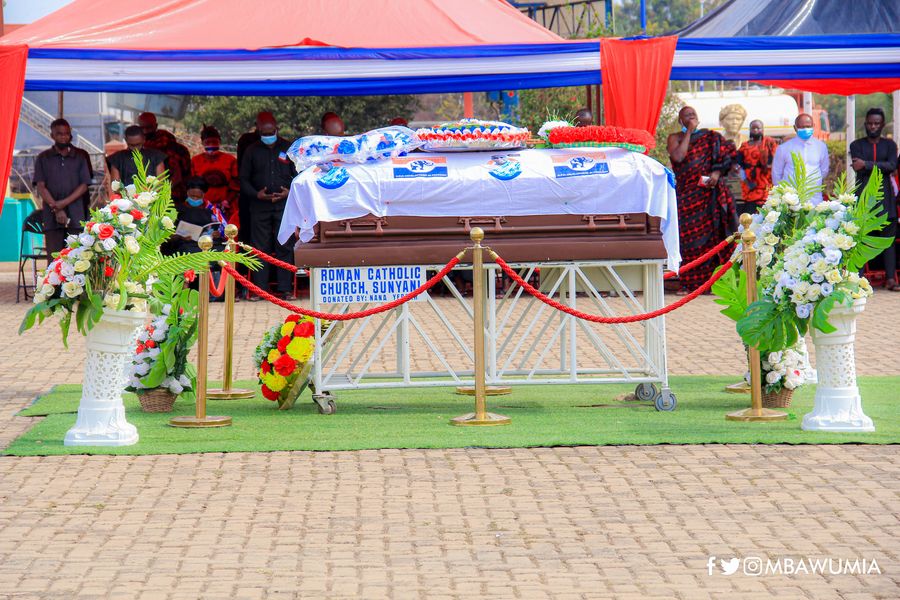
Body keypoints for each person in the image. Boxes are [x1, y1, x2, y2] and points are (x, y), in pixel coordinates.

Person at [666, 106, 738, 295]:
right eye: (687, 116)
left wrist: (715, 172)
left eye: (694, 115)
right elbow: (679, 157)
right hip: (688, 199)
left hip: (710, 198)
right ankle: (690, 284)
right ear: (680, 121)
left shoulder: (711, 137)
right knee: (689, 241)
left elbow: (727, 155)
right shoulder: (676, 138)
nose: (691, 118)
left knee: (714, 239)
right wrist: (689, 131)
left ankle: (715, 283)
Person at [239, 113, 298, 301]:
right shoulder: (251, 150)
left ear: (276, 128)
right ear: (258, 130)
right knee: (260, 248)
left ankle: (285, 290)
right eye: (264, 133)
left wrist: (290, 192)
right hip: (259, 206)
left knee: (284, 245)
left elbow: (300, 175)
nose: (268, 135)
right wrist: (257, 194)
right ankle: (260, 290)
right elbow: (243, 179)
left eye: (271, 132)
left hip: (284, 206)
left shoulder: (288, 148)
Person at [850, 107, 898, 291]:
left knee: (889, 241)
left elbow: (892, 166)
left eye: (876, 123)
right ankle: (858, 279)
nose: (873, 126)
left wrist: (867, 164)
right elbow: (857, 167)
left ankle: (891, 279)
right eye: (870, 123)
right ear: (865, 124)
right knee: (862, 239)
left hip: (886, 199)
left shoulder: (890, 145)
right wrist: (879, 166)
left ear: (882, 125)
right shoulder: (856, 145)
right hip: (864, 198)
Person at [33, 119, 92, 257]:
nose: (63, 137)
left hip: (76, 214)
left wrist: (62, 204)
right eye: (59, 134)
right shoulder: (43, 157)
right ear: (52, 135)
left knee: (77, 258)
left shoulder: (79, 157)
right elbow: (41, 186)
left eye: (66, 134)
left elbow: (84, 186)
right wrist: (56, 208)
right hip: (51, 215)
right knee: (54, 258)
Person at [772, 113, 829, 204]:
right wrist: (783, 194)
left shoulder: (821, 147)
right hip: (791, 200)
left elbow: (824, 171)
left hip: (814, 199)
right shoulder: (784, 148)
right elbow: (776, 175)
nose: (805, 129)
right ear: (795, 128)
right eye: (802, 127)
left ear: (813, 126)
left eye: (808, 126)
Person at [165, 177, 227, 255]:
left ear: (203, 195)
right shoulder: (177, 210)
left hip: (208, 243)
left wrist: (218, 233)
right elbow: (167, 235)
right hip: (186, 244)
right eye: (192, 196)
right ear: (187, 193)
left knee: (221, 250)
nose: (195, 199)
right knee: (188, 251)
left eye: (198, 197)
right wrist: (179, 236)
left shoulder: (211, 210)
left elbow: (224, 229)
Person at [138, 112, 192, 202]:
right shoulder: (141, 147)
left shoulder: (171, 148)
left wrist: (161, 194)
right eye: (142, 128)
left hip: (172, 197)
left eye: (149, 127)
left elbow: (177, 177)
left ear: (156, 126)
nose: (145, 131)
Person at [191, 125, 240, 224]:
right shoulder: (195, 161)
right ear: (202, 143)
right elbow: (191, 186)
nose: (211, 145)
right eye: (207, 142)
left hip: (226, 208)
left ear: (219, 142)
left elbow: (236, 185)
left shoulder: (230, 160)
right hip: (201, 208)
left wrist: (227, 201)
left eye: (214, 142)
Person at [735, 120, 779, 214]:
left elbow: (777, 160)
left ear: (762, 130)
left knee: (768, 213)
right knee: (751, 215)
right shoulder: (744, 146)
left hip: (767, 184)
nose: (755, 130)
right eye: (753, 128)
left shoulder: (769, 143)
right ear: (749, 130)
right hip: (750, 186)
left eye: (758, 128)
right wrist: (746, 181)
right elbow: (738, 166)